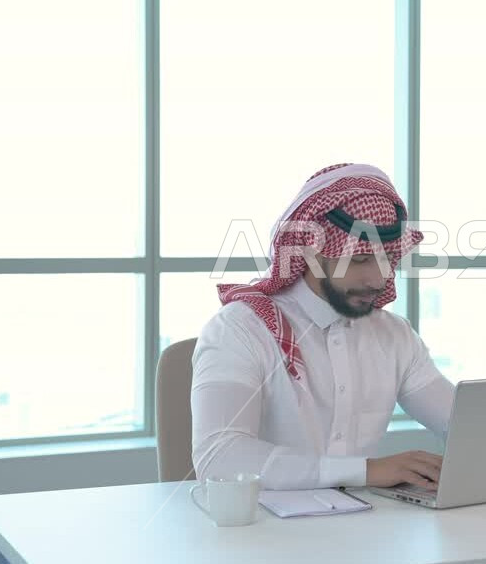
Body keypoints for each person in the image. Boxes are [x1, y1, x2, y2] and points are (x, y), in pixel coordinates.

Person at [190, 163, 453, 491]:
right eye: (360, 260)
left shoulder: (395, 337)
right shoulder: (240, 329)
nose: (378, 279)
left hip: (368, 522)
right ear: (311, 252)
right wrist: (367, 471)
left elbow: (463, 424)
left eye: (387, 259)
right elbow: (219, 458)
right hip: (260, 523)